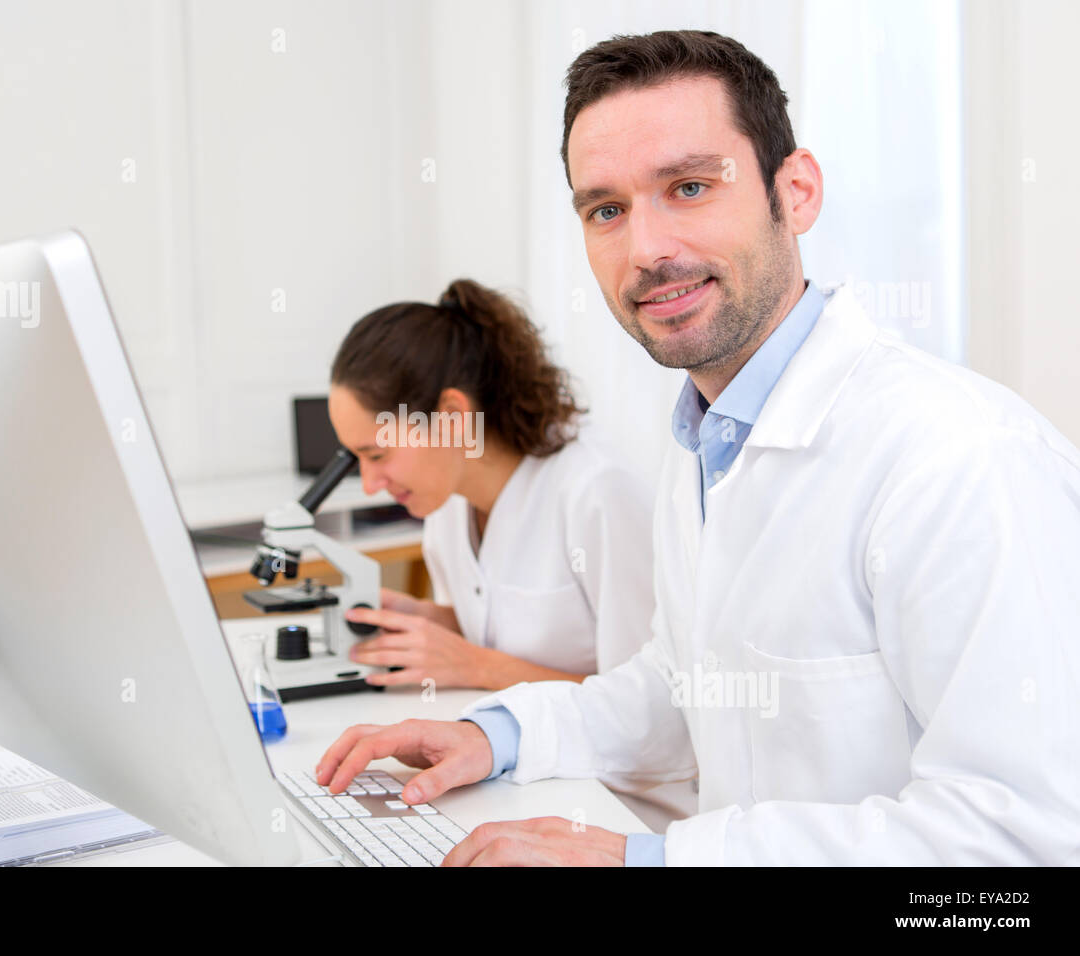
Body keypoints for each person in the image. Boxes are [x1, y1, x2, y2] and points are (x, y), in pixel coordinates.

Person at [315, 30, 1080, 865]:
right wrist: (492, 734)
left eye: (688, 186)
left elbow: (1024, 839)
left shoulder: (963, 460)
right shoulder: (704, 446)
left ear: (796, 192)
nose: (645, 251)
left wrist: (644, 861)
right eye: (606, 209)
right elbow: (683, 689)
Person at [328, 278, 663, 691]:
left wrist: (477, 666)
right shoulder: (448, 504)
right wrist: (432, 621)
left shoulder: (597, 493)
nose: (368, 484)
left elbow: (653, 700)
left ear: (451, 415)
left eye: (377, 455)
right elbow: (503, 631)